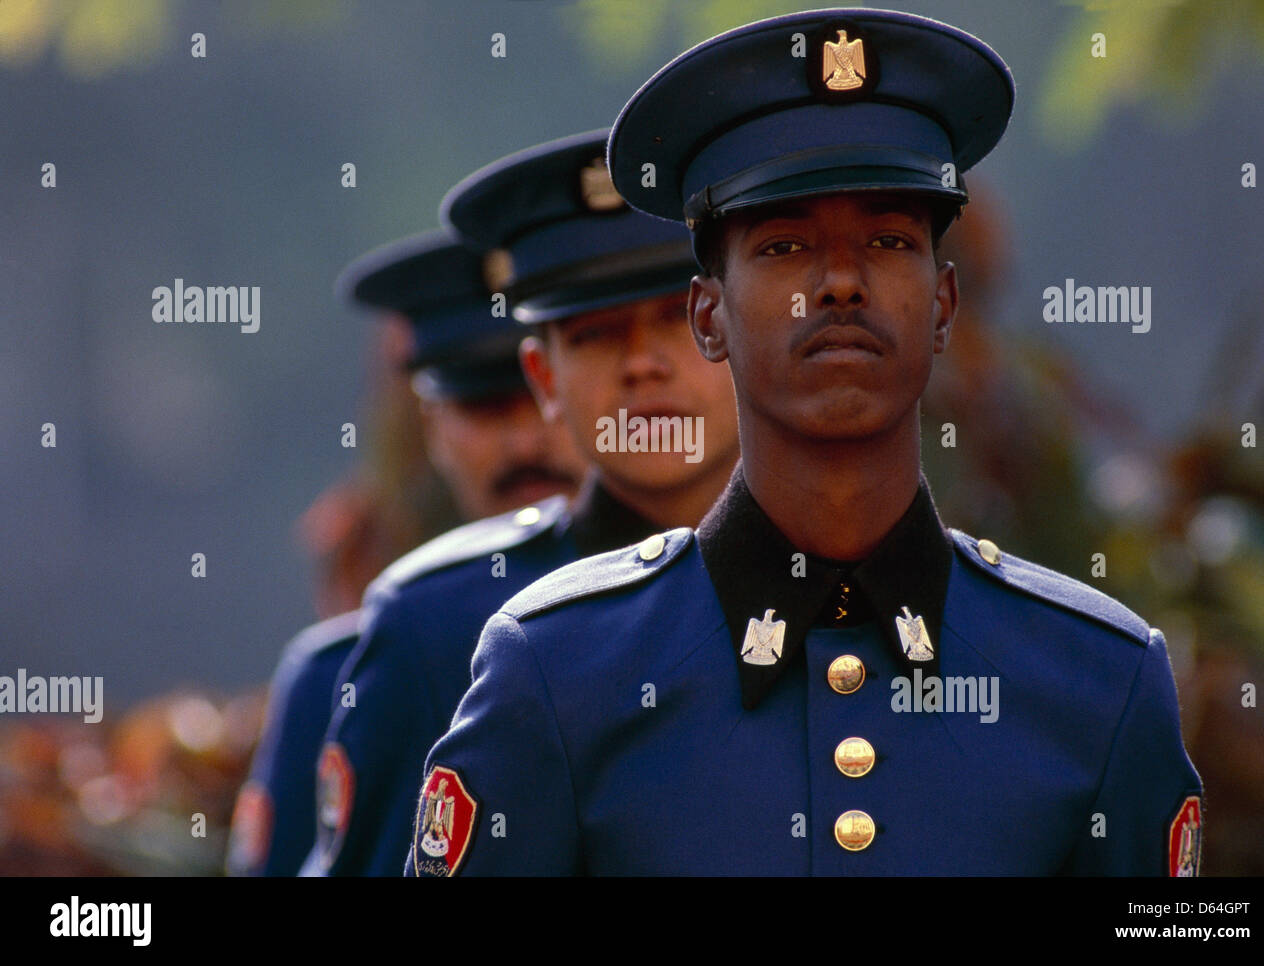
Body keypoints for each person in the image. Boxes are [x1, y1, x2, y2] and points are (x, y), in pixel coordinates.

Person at [407, 9, 1202, 876]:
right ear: (708, 317)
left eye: (888, 240)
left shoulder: (1098, 682)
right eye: (785, 245)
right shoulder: (559, 676)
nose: (840, 282)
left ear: (943, 304)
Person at [304, 131, 740, 876]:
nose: (642, 363)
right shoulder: (433, 622)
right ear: (543, 376)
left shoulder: (849, 580)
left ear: (740, 328)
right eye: (595, 333)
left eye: (676, 318)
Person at [227, 232, 582, 876]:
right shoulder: (337, 678)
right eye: (483, 405)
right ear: (430, 427)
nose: (527, 440)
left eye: (546, 396)